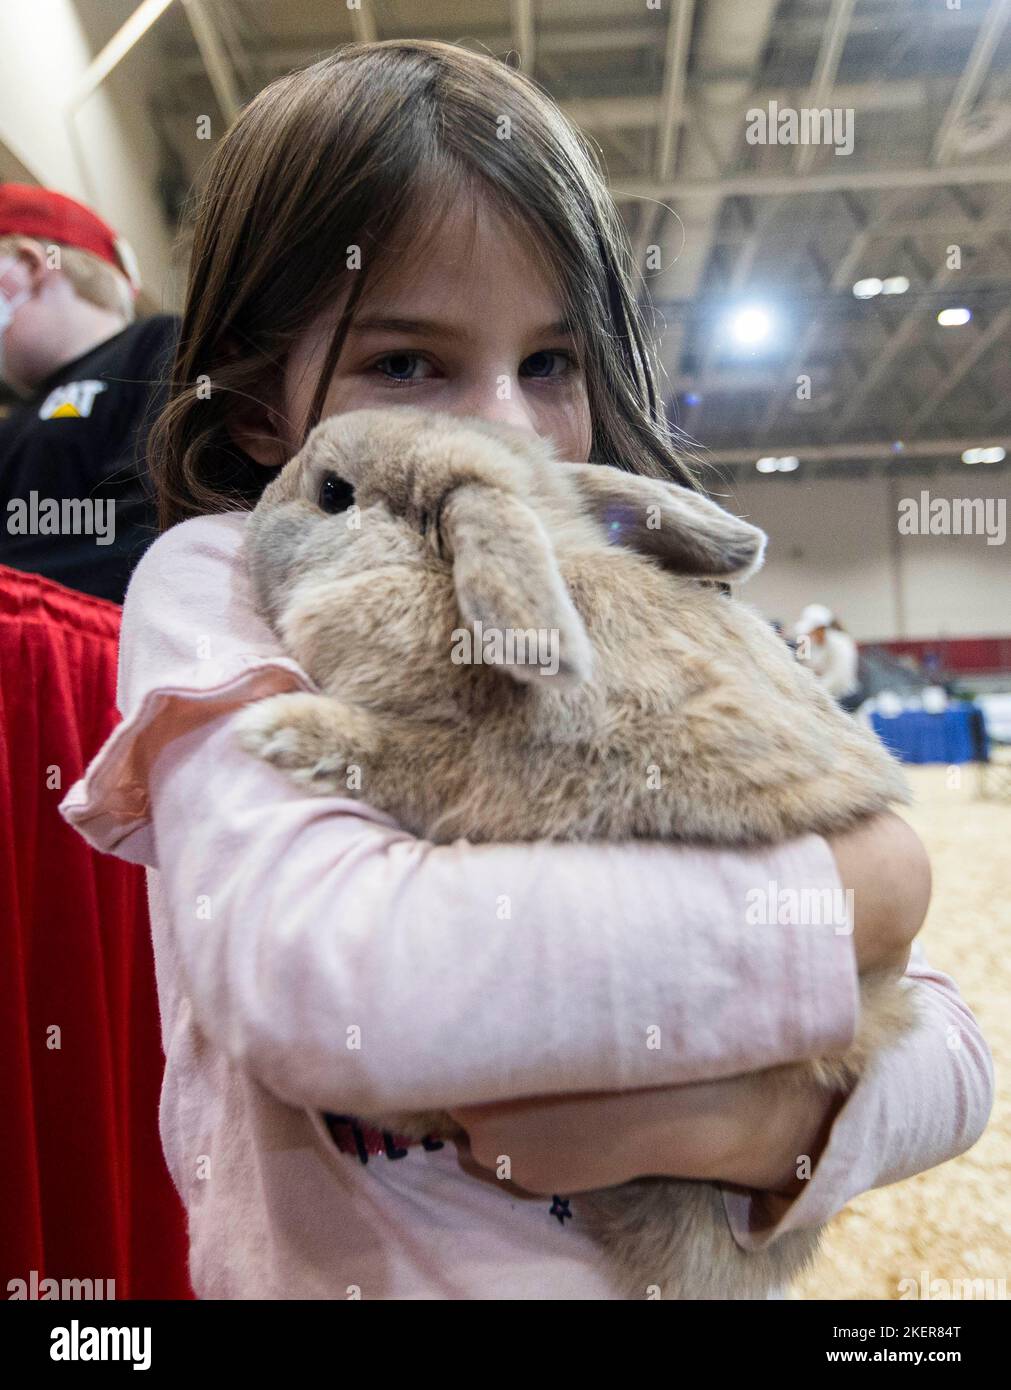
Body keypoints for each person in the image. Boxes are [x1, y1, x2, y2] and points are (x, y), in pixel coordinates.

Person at [59, 41, 991, 1299]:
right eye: (408, 364)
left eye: (549, 365)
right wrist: (852, 897)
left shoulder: (621, 582)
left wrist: (740, 1129)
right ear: (259, 408)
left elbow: (954, 1057)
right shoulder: (230, 585)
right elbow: (325, 978)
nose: (508, 430)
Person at [0, 184, 178, 603]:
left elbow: (151, 518)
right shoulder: (15, 421)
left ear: (27, 265)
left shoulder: (156, 345)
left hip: (109, 638)